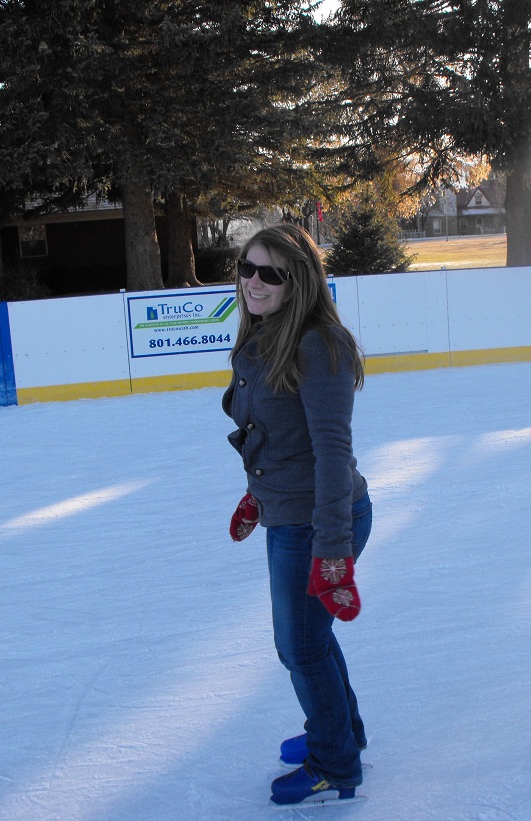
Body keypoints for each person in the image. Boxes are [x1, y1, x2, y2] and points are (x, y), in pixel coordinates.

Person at [222, 224, 372, 807]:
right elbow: (274, 435)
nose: (254, 282)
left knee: (300, 648)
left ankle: (335, 763)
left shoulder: (318, 345)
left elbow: (332, 454)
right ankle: (343, 733)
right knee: (311, 639)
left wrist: (332, 550)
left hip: (321, 522)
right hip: (289, 513)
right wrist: (260, 494)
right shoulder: (266, 334)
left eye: (271, 273)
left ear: (299, 280)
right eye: (247, 267)